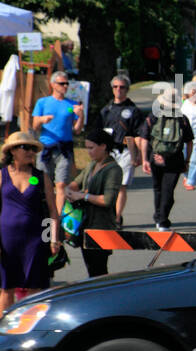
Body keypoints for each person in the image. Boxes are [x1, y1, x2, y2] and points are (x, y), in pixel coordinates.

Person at [0, 131, 61, 313]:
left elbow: (52, 211)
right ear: (12, 151)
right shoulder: (2, 175)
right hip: (7, 240)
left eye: (33, 149)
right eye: (25, 148)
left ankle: (30, 326)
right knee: (6, 288)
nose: (30, 152)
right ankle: (4, 328)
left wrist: (52, 239)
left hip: (35, 240)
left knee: (35, 288)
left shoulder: (41, 177)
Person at [66, 129, 123, 278]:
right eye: (87, 148)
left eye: (91, 148)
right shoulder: (92, 165)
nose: (88, 152)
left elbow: (108, 200)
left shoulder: (114, 169)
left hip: (101, 227)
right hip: (85, 225)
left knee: (99, 270)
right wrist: (69, 192)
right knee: (91, 269)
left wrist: (83, 196)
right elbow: (75, 183)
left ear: (103, 146)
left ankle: (103, 292)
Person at [31, 70, 84, 217]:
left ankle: (57, 217)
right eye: (62, 83)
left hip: (64, 149)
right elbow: (34, 126)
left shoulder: (72, 104)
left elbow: (77, 130)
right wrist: (42, 120)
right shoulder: (43, 102)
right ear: (53, 84)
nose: (65, 86)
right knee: (43, 182)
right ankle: (44, 214)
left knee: (61, 184)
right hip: (46, 148)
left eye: (67, 83)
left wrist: (81, 116)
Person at [96, 74, 146, 228]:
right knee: (106, 185)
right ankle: (107, 215)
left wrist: (140, 156)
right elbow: (98, 133)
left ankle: (117, 218)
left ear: (127, 89)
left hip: (125, 151)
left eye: (122, 87)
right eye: (115, 86)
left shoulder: (133, 110)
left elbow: (139, 135)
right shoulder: (106, 110)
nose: (119, 90)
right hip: (107, 152)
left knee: (121, 185)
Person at [142, 86, 194, 230]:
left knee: (158, 188)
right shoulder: (182, 119)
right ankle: (163, 219)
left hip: (155, 157)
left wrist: (144, 159)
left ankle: (158, 217)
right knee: (168, 190)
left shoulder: (153, 117)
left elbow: (144, 138)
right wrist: (187, 161)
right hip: (175, 159)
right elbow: (189, 142)